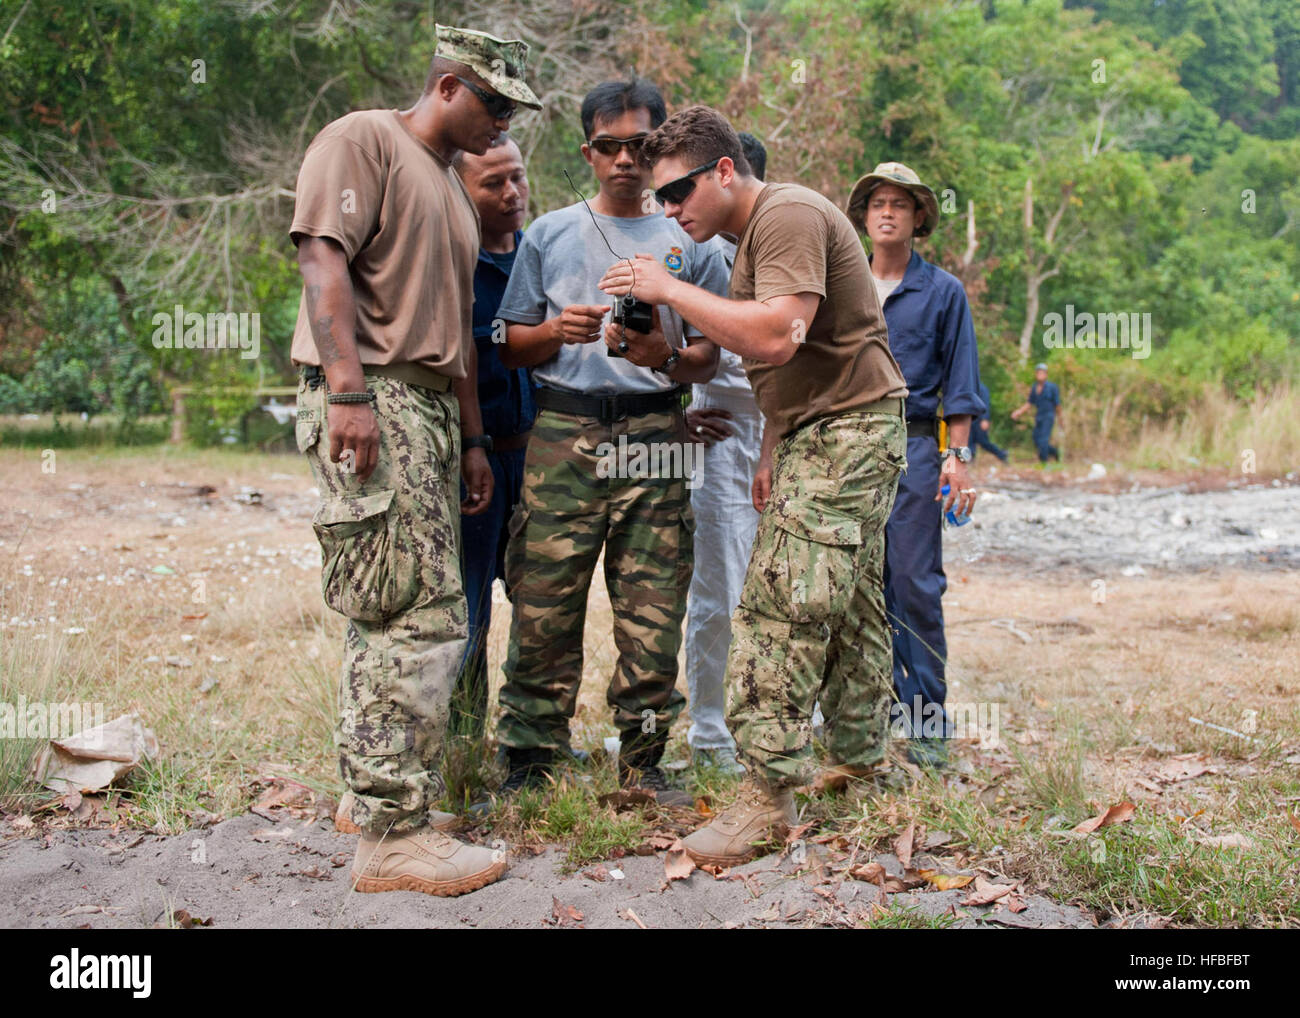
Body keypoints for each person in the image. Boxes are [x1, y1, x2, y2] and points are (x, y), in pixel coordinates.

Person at [600, 106, 909, 865]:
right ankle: (863, 763)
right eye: (661, 202)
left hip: (851, 432)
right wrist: (775, 440)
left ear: (726, 171)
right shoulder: (750, 238)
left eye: (677, 195)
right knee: (852, 608)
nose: (668, 212)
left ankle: (766, 796)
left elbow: (776, 334)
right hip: (824, 430)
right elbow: (792, 358)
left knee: (777, 605)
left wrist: (668, 291)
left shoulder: (790, 215)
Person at [289, 24, 541, 897]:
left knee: (394, 607)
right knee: (421, 612)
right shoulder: (364, 139)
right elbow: (323, 260)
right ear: (446, 84)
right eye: (493, 101)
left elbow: (459, 341)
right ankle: (392, 837)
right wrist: (349, 394)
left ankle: (377, 804)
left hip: (431, 406)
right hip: (377, 396)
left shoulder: (452, 190)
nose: (501, 121)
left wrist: (472, 441)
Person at [490, 79, 731, 807]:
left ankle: (645, 758)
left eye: (639, 145)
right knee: (544, 601)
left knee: (653, 605)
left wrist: (659, 352)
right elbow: (508, 347)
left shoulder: (690, 240)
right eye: (608, 146)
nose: (624, 160)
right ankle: (530, 758)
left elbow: (710, 357)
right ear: (587, 150)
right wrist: (551, 333)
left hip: (655, 429)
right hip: (563, 429)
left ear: (660, 148)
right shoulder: (548, 234)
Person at [846, 161, 985, 769]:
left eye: (900, 204)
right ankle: (859, 724)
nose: (887, 211)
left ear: (918, 217)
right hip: (846, 448)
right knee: (850, 588)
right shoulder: (842, 285)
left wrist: (957, 459)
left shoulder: (943, 291)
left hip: (916, 449)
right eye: (877, 201)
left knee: (913, 585)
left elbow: (961, 387)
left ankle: (927, 726)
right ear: (864, 215)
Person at [680, 131, 769, 778]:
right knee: (716, 587)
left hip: (785, 432)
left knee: (786, 586)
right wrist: (680, 408)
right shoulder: (696, 253)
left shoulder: (789, 244)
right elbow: (669, 345)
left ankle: (786, 719)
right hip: (718, 429)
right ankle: (710, 730)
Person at [449, 134, 535, 738]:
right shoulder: (453, 265)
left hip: (540, 461)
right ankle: (461, 743)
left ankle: (528, 742)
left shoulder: (542, 255)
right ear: (461, 189)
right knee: (467, 608)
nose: (512, 194)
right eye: (493, 183)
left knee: (543, 610)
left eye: (518, 178)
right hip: (472, 466)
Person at [1011, 362, 1062, 464]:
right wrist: (1019, 412)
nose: (1040, 375)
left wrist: (1061, 419)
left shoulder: (1052, 387)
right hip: (1039, 417)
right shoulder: (1034, 387)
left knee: (1043, 440)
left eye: (1042, 373)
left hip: (1048, 416)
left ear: (1046, 374)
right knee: (1036, 439)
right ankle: (1054, 452)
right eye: (1038, 373)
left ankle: (1044, 463)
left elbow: (1057, 405)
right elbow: (1029, 403)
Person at [971, 380, 1008, 462]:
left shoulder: (982, 388)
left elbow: (985, 404)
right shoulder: (968, 387)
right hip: (970, 420)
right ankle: (971, 459)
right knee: (969, 441)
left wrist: (985, 419)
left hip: (979, 420)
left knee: (983, 441)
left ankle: (1002, 454)